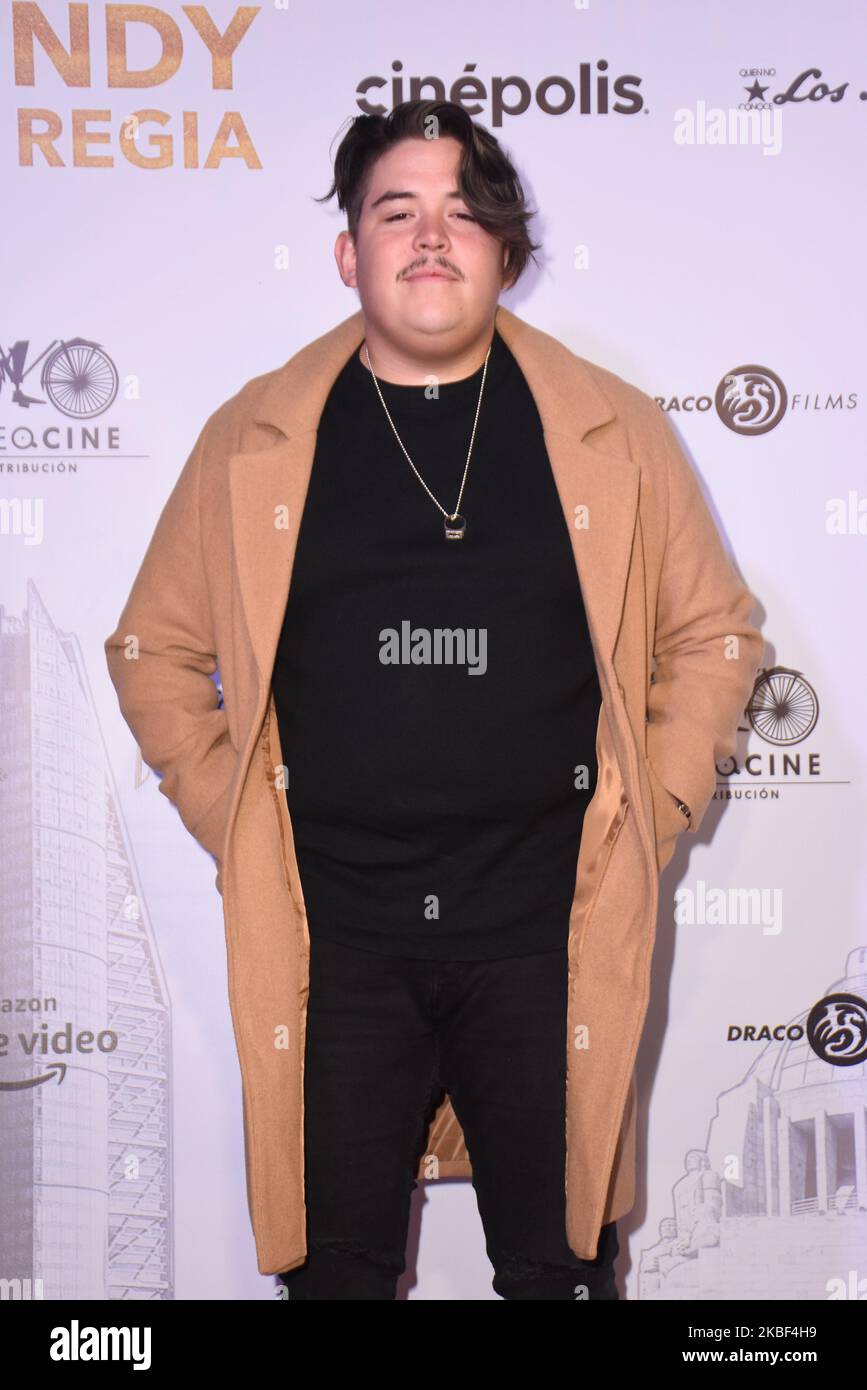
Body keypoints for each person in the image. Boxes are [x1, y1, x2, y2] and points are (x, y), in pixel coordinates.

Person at [104, 99, 763, 1299]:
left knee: (559, 1268)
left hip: (544, 933)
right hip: (335, 938)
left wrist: (647, 814)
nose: (429, 237)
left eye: (464, 214)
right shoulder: (253, 439)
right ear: (348, 252)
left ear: (506, 252)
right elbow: (153, 649)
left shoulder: (614, 435)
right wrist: (244, 822)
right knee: (335, 1274)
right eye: (396, 211)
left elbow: (716, 634)